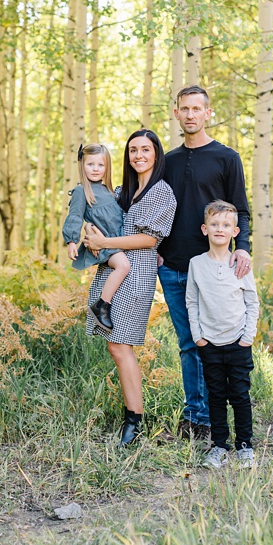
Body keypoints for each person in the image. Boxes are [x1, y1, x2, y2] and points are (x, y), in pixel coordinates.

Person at [159, 85, 254, 442]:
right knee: (189, 342)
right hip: (172, 266)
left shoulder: (226, 158)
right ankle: (196, 417)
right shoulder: (166, 161)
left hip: (217, 267)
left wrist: (242, 248)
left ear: (207, 113)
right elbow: (154, 208)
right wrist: (154, 247)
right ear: (176, 114)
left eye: (197, 109)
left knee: (221, 342)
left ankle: (230, 414)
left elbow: (240, 209)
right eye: (184, 109)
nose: (190, 114)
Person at [79, 130, 177, 445]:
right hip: (113, 268)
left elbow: (150, 239)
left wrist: (105, 241)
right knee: (115, 345)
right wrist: (85, 231)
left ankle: (134, 422)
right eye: (133, 150)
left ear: (156, 153)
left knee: (122, 345)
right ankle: (131, 417)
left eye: (145, 150)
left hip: (136, 271)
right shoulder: (124, 190)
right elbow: (99, 213)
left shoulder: (161, 193)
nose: (138, 156)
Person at [188, 200, 262, 470]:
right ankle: (219, 446)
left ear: (235, 231)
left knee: (240, 395)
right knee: (216, 396)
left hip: (238, 343)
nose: (220, 229)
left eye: (226, 225)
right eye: (215, 224)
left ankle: (245, 446)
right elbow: (192, 302)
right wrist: (198, 337)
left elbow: (252, 302)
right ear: (204, 228)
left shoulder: (240, 263)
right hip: (209, 343)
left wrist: (247, 337)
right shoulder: (196, 264)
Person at [63, 143, 130, 331]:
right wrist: (71, 241)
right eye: (90, 164)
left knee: (124, 266)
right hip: (104, 244)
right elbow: (75, 215)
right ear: (82, 166)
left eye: (100, 165)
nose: (95, 169)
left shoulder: (109, 191)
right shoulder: (81, 191)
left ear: (107, 168)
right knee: (123, 266)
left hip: (117, 240)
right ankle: (101, 305)